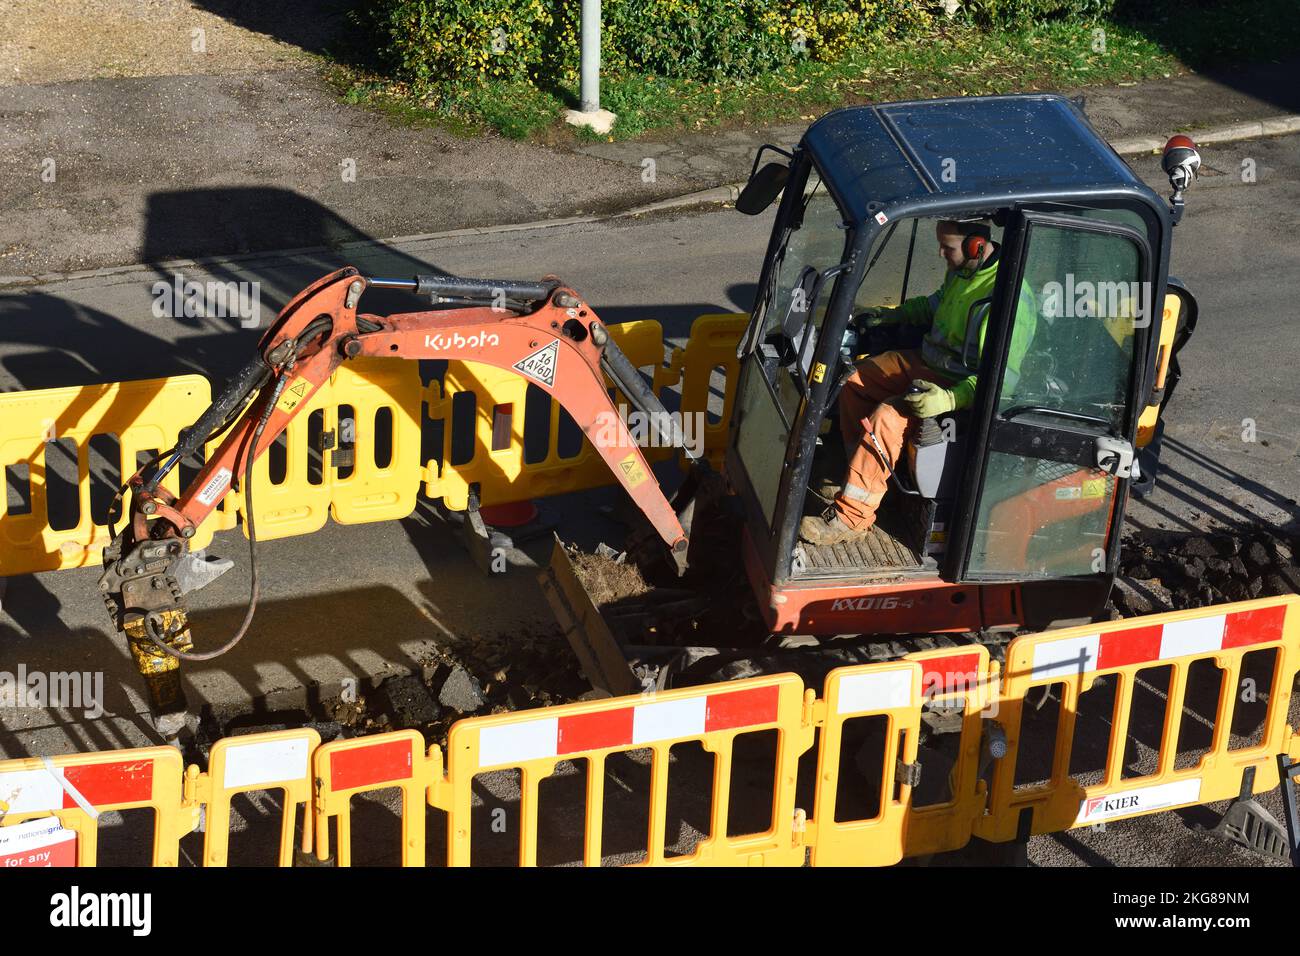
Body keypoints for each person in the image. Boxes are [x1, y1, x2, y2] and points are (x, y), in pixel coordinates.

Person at [799, 218, 1033, 546]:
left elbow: (1002, 383)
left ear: (975, 245)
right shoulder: (964, 270)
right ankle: (864, 477)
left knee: (887, 418)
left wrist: (949, 400)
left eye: (947, 247)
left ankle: (852, 518)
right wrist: (893, 315)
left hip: (957, 390)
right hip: (928, 364)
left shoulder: (1007, 301)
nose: (940, 253)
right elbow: (935, 305)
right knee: (854, 382)